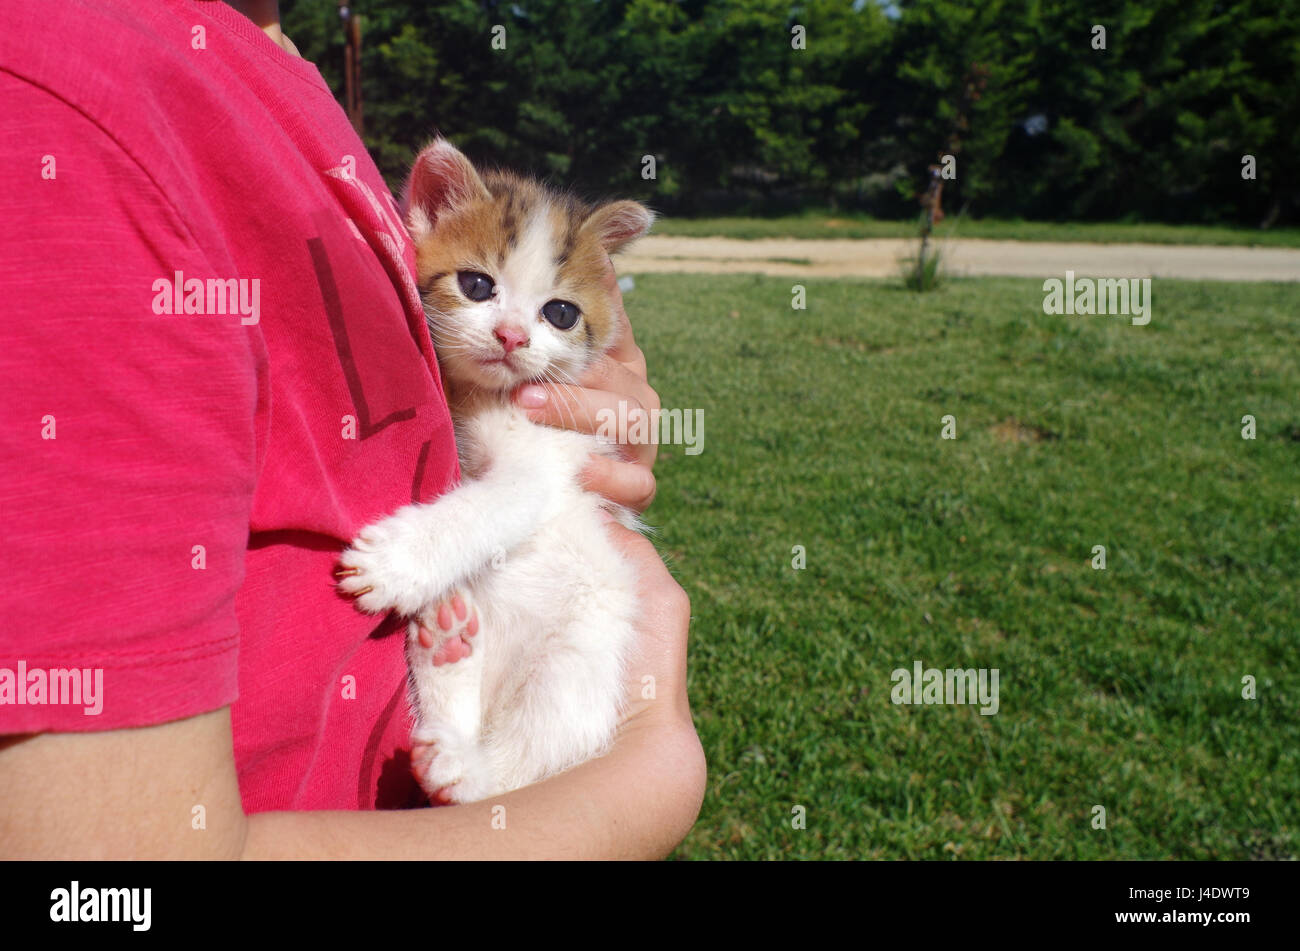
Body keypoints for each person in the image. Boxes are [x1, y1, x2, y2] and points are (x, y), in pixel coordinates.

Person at [0, 0, 705, 859]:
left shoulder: (281, 80)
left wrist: (603, 412)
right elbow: (109, 883)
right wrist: (648, 783)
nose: (515, 333)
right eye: (483, 293)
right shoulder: (66, 104)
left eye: (553, 313)